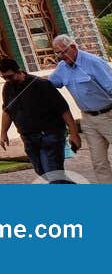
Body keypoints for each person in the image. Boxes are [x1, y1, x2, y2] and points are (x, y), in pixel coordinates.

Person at [0, 57, 79, 182]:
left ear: (19, 71)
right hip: (28, 138)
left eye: (10, 76)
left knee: (53, 172)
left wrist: (74, 133)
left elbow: (64, 110)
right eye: (4, 77)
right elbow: (7, 111)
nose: (7, 80)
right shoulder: (7, 88)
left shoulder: (41, 84)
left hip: (49, 135)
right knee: (42, 172)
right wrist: (3, 132)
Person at [50, 34, 112, 184]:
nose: (60, 56)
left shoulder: (93, 62)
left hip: (108, 114)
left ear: (73, 47)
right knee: (98, 162)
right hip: (88, 119)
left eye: (62, 52)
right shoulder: (62, 67)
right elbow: (50, 84)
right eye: (57, 53)